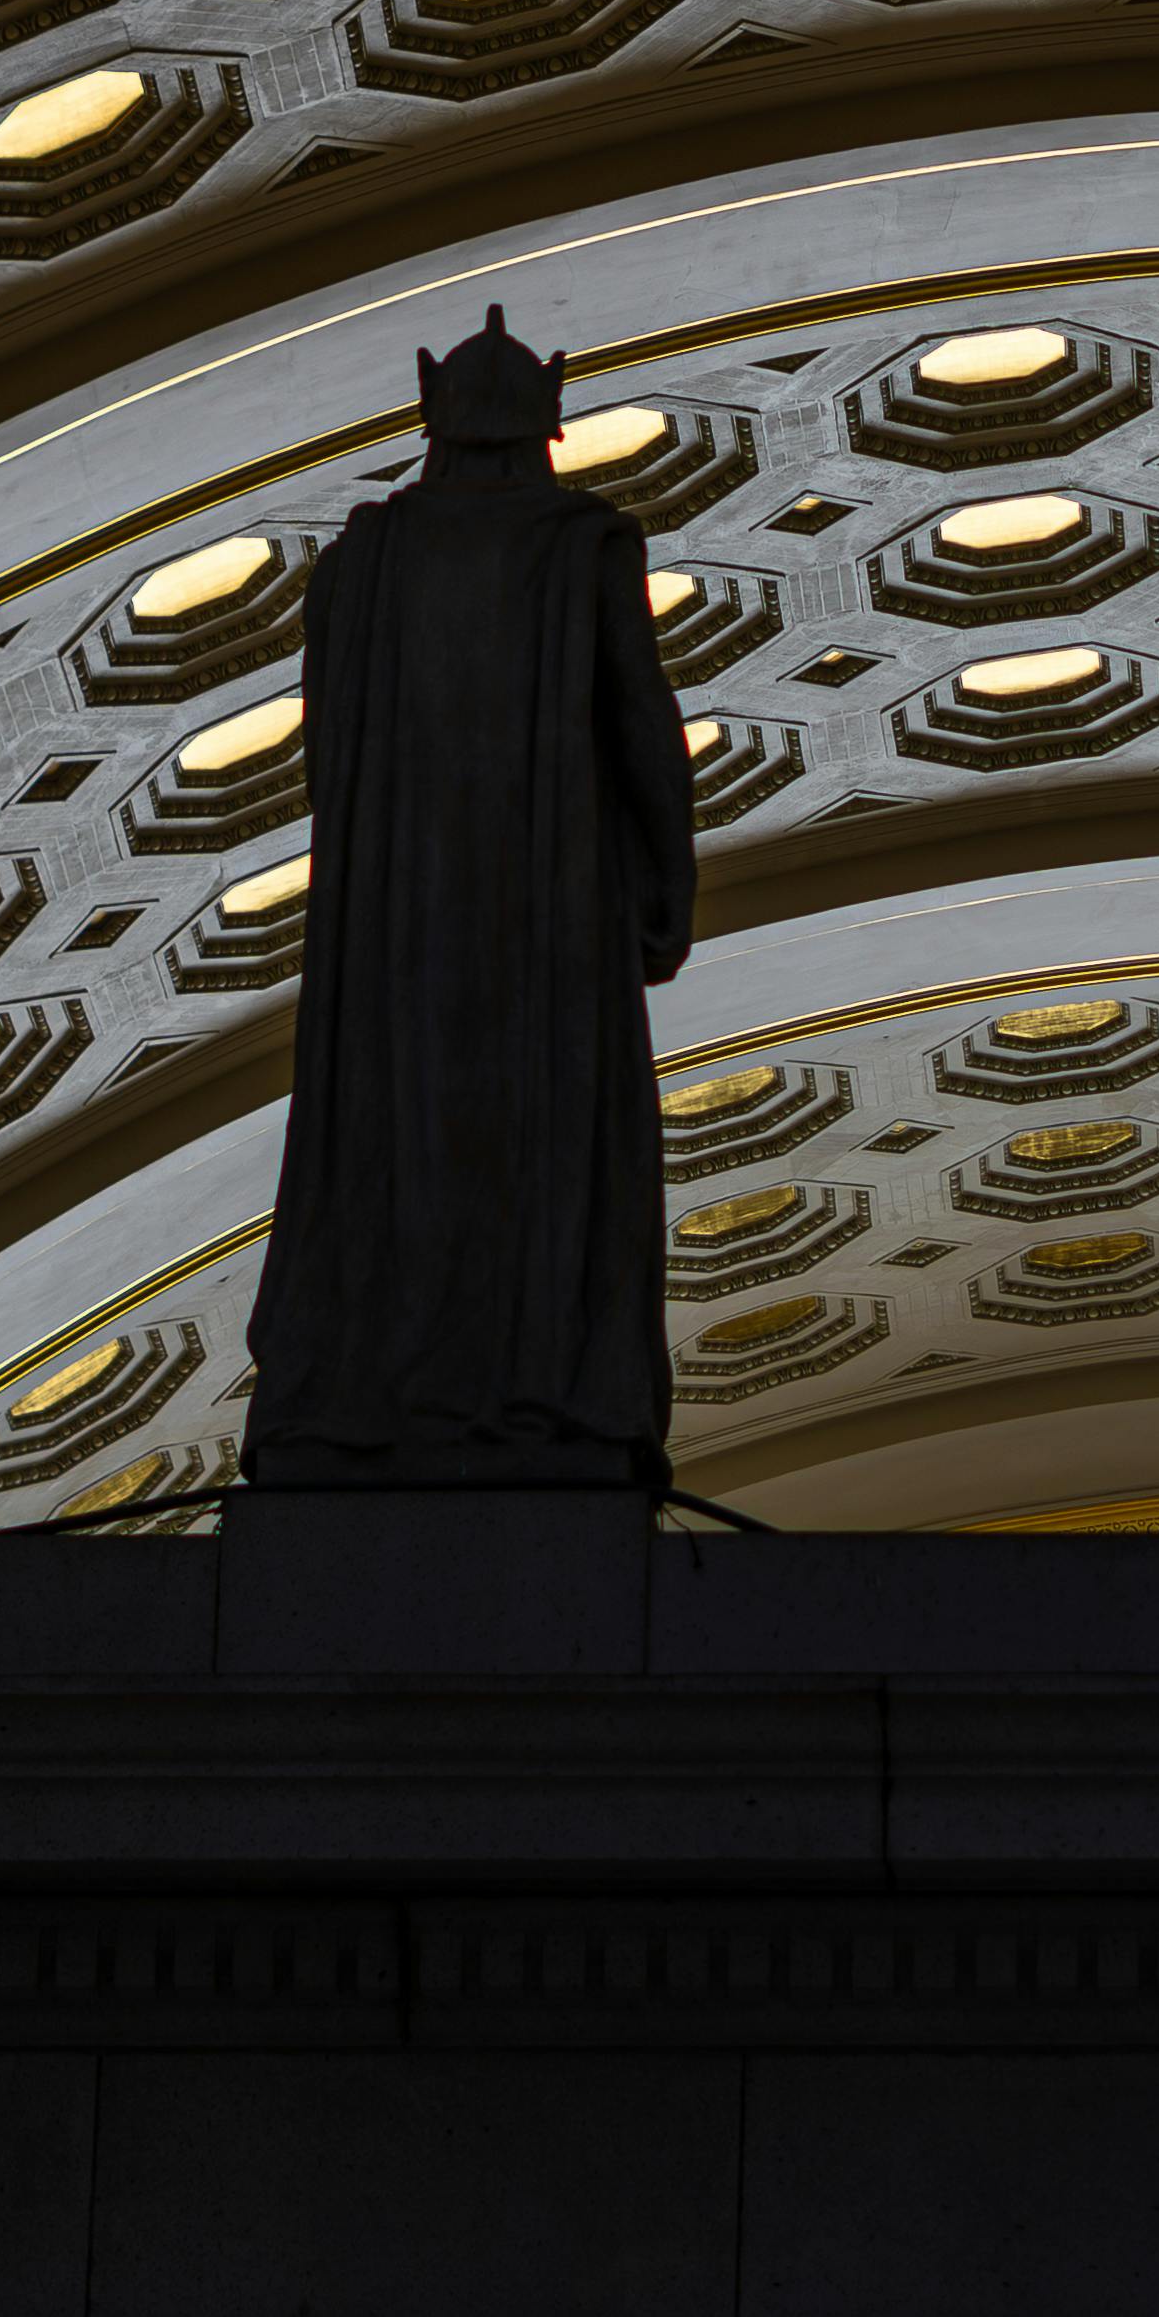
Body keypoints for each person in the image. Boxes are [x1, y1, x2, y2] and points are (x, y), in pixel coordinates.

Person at [242, 309, 705, 1485]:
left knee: (391, 1136)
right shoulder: (584, 543)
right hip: (550, 917)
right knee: (545, 1139)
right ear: (546, 420)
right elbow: (643, 724)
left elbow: (329, 752)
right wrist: (664, 884)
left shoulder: (361, 561)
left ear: (428, 410)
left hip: (395, 926)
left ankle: (362, 1386)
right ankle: (543, 1389)